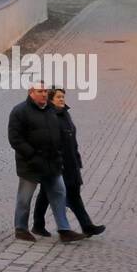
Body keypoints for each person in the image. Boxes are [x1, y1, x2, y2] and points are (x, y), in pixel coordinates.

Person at [7, 83, 85, 242]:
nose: (43, 94)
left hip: (52, 163)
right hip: (31, 164)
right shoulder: (20, 111)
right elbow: (15, 139)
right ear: (31, 93)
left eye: (45, 91)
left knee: (59, 194)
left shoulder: (51, 110)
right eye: (40, 91)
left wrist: (60, 155)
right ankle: (21, 228)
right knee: (25, 198)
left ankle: (64, 230)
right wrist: (32, 155)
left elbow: (59, 133)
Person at [33, 88, 105, 237]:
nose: (61, 99)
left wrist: (77, 159)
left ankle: (86, 226)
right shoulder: (50, 116)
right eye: (58, 97)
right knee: (48, 194)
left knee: (71, 194)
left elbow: (72, 139)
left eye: (63, 96)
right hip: (57, 163)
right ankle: (43, 226)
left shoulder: (65, 114)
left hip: (70, 162)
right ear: (51, 100)